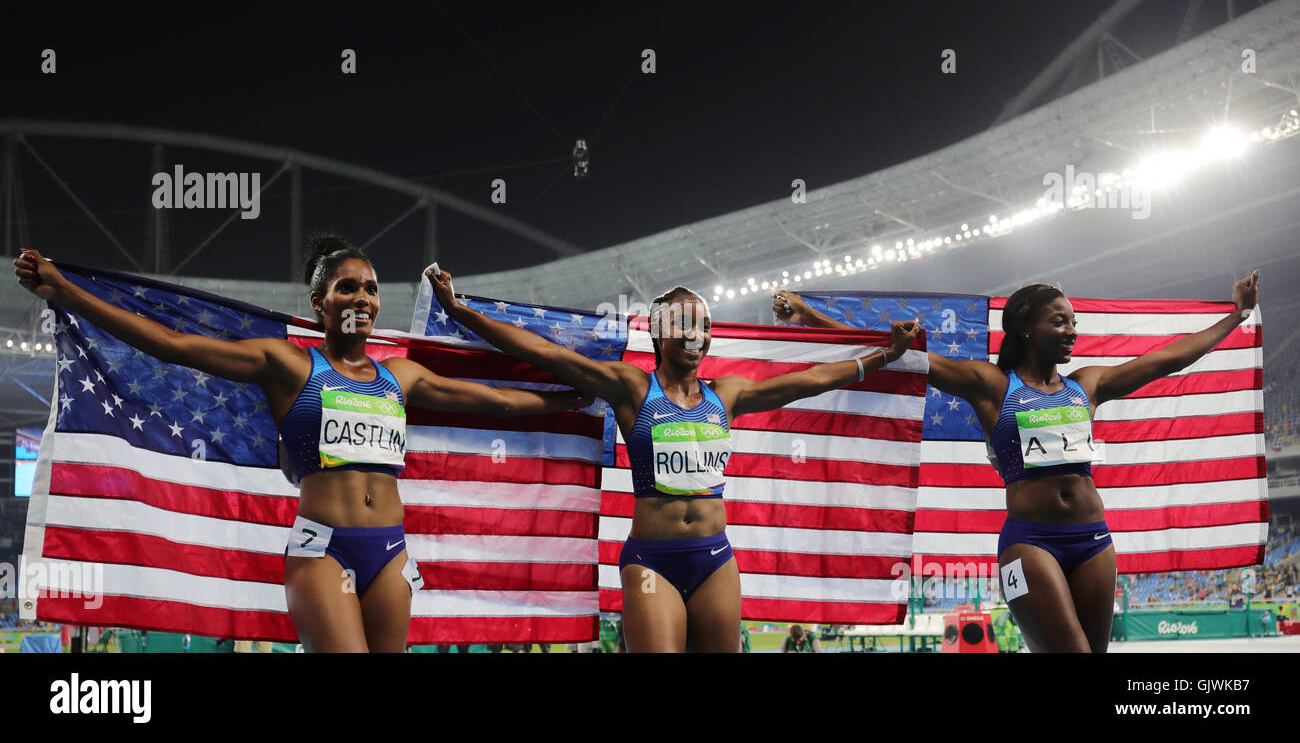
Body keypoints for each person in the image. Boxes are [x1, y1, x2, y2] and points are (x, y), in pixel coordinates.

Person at [13, 238, 585, 652]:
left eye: (371, 288)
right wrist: (66, 291)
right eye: (347, 287)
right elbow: (172, 344)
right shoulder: (287, 364)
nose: (362, 296)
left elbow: (497, 403)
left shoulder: (402, 377)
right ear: (320, 303)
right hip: (323, 550)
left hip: (392, 553)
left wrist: (571, 400)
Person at [428, 269, 919, 652]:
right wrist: (459, 310)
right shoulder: (631, 387)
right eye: (684, 324)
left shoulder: (726, 395)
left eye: (703, 326)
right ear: (659, 332)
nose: (695, 335)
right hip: (651, 563)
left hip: (716, 560)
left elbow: (813, 379)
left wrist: (884, 355)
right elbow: (545, 353)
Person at [774, 272, 1259, 652]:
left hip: (1094, 540)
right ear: (1027, 327)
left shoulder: (1085, 385)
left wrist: (1235, 317)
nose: (1072, 330)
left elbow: (1167, 359)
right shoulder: (993, 386)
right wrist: (807, 314)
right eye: (1060, 321)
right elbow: (897, 356)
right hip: (1030, 543)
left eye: (1073, 321)